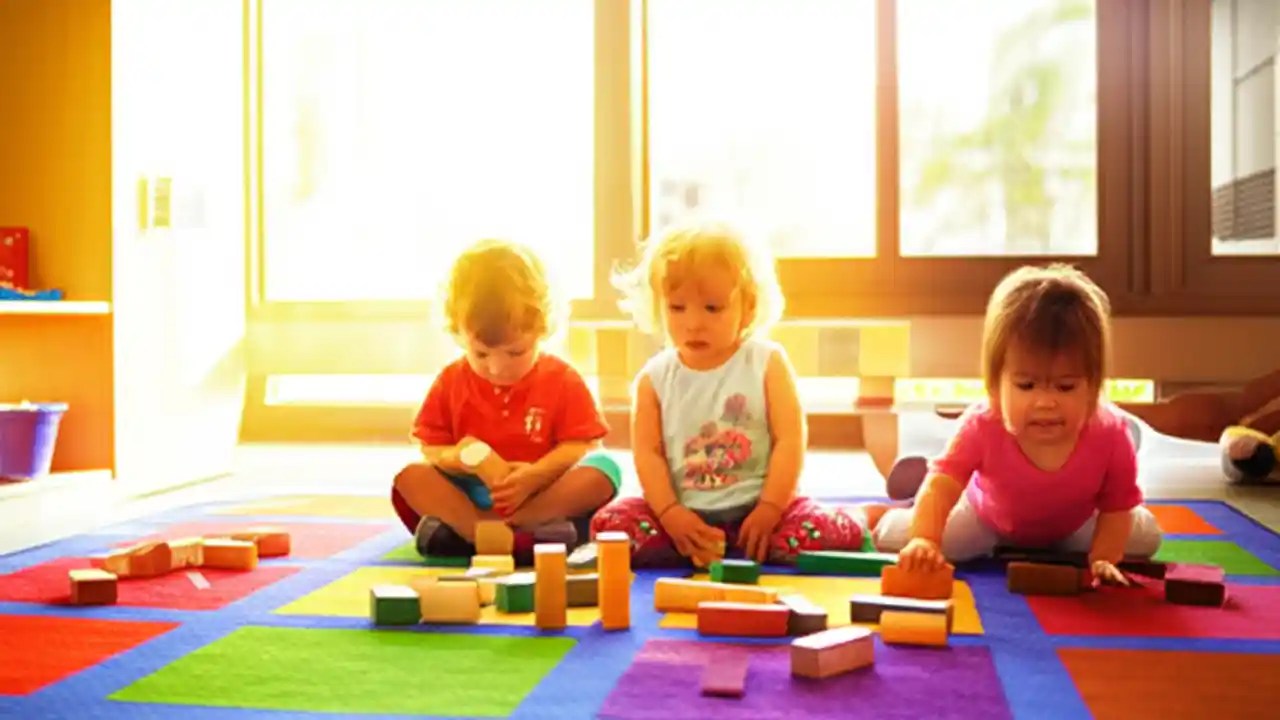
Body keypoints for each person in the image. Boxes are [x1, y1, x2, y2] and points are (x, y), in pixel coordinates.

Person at [589, 222, 866, 567]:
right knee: (609, 527)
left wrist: (770, 508)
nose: (693, 323)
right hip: (685, 514)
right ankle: (695, 545)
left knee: (817, 532)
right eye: (677, 308)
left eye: (712, 308)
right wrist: (672, 514)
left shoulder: (767, 363)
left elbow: (789, 439)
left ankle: (852, 520)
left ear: (748, 307)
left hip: (761, 508)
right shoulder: (653, 379)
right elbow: (648, 455)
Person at [872, 263, 1162, 584]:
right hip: (988, 519)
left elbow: (1117, 504)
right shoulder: (983, 424)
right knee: (896, 537)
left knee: (1147, 538)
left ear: (1093, 387)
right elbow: (944, 483)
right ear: (995, 386)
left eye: (1065, 387)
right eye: (1026, 386)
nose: (1045, 402)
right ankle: (898, 504)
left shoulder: (1110, 432)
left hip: (1073, 524)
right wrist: (924, 539)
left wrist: (1104, 559)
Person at [391, 239, 622, 564]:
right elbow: (431, 446)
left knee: (605, 470)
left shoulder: (561, 378)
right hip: (474, 494)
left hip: (541, 494)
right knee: (411, 478)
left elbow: (581, 445)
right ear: (458, 332)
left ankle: (493, 531)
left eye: (515, 352)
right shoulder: (451, 380)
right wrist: (455, 457)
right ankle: (488, 532)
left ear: (542, 329)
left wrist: (535, 476)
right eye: (481, 354)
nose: (497, 368)